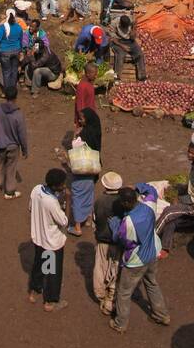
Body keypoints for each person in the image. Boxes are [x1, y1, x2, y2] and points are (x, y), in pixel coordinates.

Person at [109, 186, 170, 334]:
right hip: (153, 252)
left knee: (124, 292)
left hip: (136, 260)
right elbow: (152, 191)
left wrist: (114, 225)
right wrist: (137, 187)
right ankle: (162, 315)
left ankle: (120, 323)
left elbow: (123, 241)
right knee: (152, 283)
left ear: (125, 203)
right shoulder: (149, 206)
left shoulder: (128, 222)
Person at [155, 141, 194, 252]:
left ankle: (151, 237)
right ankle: (165, 248)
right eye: (188, 151)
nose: (189, 155)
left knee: (169, 212)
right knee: (171, 222)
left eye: (192, 153)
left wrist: (180, 199)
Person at [28, 168, 69, 311]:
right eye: (63, 184)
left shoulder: (36, 190)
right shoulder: (51, 201)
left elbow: (30, 208)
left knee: (39, 265)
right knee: (52, 271)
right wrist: (67, 201)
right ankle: (50, 301)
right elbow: (64, 221)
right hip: (51, 242)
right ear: (56, 186)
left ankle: (34, 290)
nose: (64, 186)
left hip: (38, 237)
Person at [65, 107, 102, 236]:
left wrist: (76, 134)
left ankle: (77, 227)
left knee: (77, 195)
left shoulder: (84, 134)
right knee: (89, 193)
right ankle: (88, 220)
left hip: (81, 168)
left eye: (82, 118)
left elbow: (75, 146)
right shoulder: (96, 130)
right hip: (93, 168)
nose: (80, 120)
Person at [93, 171, 124, 316]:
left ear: (104, 185)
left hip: (103, 241)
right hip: (118, 242)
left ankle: (101, 296)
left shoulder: (99, 201)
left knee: (100, 268)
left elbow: (95, 220)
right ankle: (111, 299)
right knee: (116, 269)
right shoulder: (123, 202)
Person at [0, 86, 28, 198]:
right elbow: (22, 134)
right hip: (13, 147)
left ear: (5, 96)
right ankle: (9, 191)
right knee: (11, 168)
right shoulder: (18, 114)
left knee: (0, 164)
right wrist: (25, 150)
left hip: (0, 144)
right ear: (16, 96)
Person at [0, 3, 27, 91]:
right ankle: (13, 89)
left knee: (6, 71)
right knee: (14, 70)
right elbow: (21, 40)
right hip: (16, 51)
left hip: (5, 52)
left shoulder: (2, 27)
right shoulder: (19, 27)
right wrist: (20, 51)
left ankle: (6, 91)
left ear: (6, 16)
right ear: (15, 15)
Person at [109, 14, 146, 82]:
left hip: (129, 41)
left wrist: (133, 30)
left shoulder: (131, 20)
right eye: (124, 27)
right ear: (120, 24)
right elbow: (113, 39)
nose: (126, 29)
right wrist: (123, 46)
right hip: (118, 41)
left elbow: (135, 24)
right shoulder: (114, 23)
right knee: (120, 55)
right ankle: (117, 77)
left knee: (139, 54)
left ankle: (142, 76)